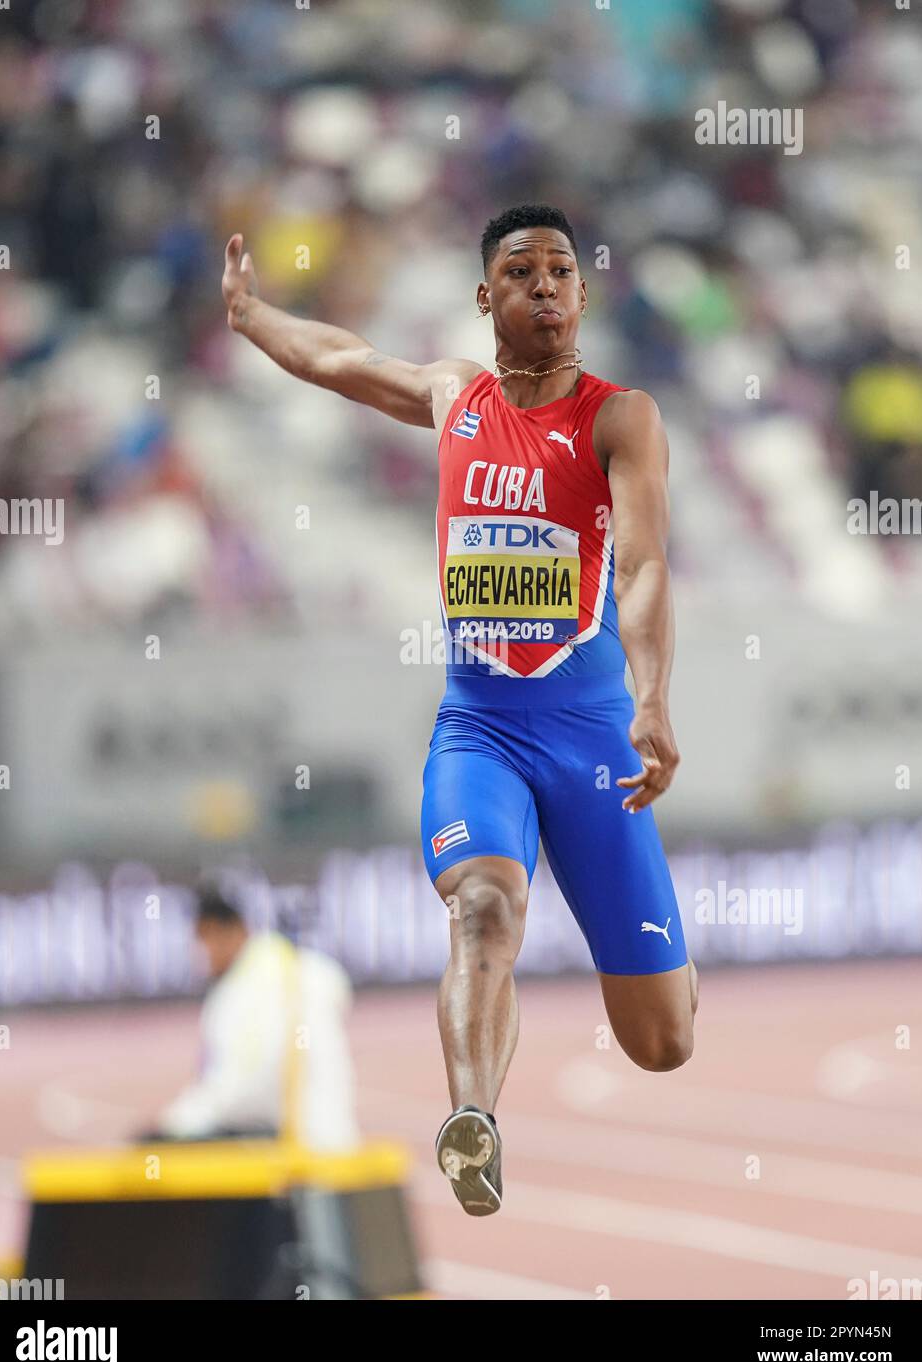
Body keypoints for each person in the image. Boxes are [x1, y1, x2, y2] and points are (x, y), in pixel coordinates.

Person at [221, 203, 698, 1217]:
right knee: (483, 907)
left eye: (560, 270)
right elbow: (339, 360)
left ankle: (665, 971)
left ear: (582, 292)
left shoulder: (621, 419)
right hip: (479, 732)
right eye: (521, 271)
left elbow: (645, 568)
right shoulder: (454, 397)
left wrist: (653, 700)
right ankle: (471, 1120)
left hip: (594, 743)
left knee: (662, 1042)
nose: (544, 286)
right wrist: (253, 316)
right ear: (486, 296)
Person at [151, 886, 360, 1150]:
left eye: (204, 940)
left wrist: (176, 1124)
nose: (201, 955)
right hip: (333, 1137)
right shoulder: (293, 964)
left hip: (302, 1152)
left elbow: (239, 1085)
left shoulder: (244, 992)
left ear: (231, 931)